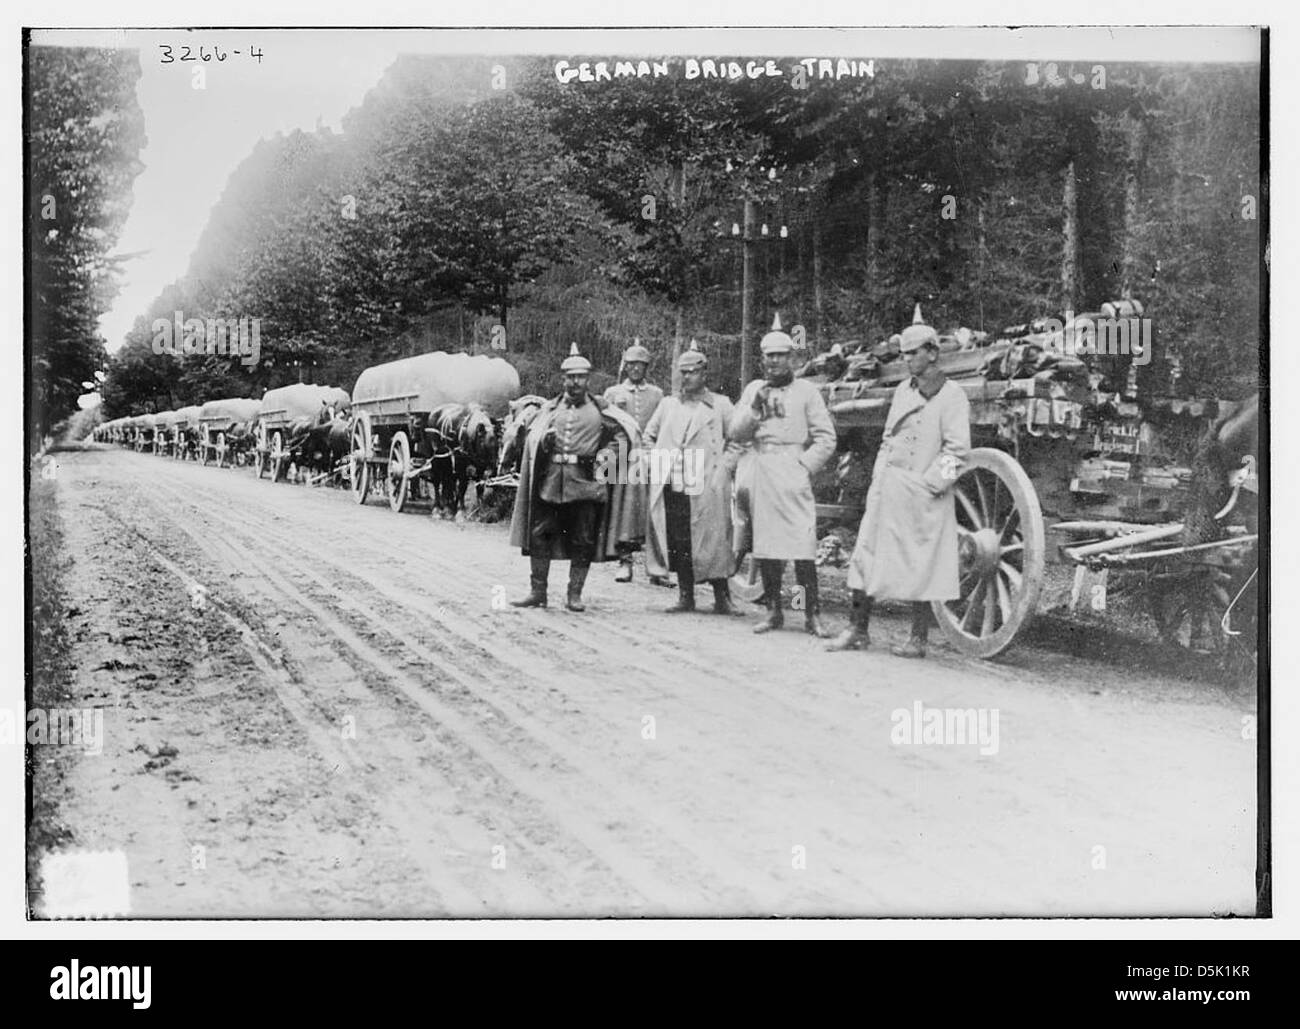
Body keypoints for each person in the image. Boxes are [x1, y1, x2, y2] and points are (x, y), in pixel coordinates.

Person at [827, 317, 971, 658]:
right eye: (903, 354)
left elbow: (958, 451)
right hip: (889, 487)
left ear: (933, 353)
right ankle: (857, 629)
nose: (907, 359)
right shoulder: (903, 392)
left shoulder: (952, 397)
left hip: (924, 493)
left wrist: (930, 485)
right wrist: (880, 475)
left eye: (914, 353)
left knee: (921, 563)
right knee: (866, 554)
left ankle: (917, 639)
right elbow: (889, 438)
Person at [509, 344, 644, 612]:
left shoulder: (601, 411)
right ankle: (538, 592)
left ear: (588, 379)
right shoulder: (550, 410)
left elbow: (622, 438)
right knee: (540, 535)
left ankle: (574, 594)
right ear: (563, 379)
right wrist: (543, 443)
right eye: (570, 377)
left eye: (580, 377)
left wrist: (603, 467)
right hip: (551, 484)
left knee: (583, 539)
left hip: (586, 485)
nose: (575, 382)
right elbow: (531, 440)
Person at [729, 315, 838, 637]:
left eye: (780, 356)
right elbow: (735, 432)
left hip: (793, 473)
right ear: (762, 359)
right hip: (763, 471)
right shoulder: (754, 390)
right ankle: (774, 611)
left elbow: (826, 437)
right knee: (767, 549)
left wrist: (804, 466)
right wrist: (755, 409)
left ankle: (810, 614)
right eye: (769, 356)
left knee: (803, 549)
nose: (774, 362)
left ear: (791, 358)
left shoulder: (806, 391)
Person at [642, 341, 740, 615]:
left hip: (708, 484)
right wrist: (656, 461)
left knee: (715, 540)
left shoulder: (720, 405)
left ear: (704, 374)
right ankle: (686, 596)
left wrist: (725, 467)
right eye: (682, 372)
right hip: (674, 483)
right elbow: (648, 436)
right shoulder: (668, 405)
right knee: (679, 538)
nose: (686, 377)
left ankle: (723, 598)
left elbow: (738, 440)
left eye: (692, 372)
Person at [603, 340, 666, 584]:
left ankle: (657, 569)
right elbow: (606, 428)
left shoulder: (657, 394)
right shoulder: (613, 393)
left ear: (647, 367)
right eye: (631, 365)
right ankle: (625, 562)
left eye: (640, 365)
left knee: (654, 512)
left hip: (650, 459)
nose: (636, 369)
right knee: (625, 511)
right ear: (625, 367)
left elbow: (662, 427)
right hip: (623, 461)